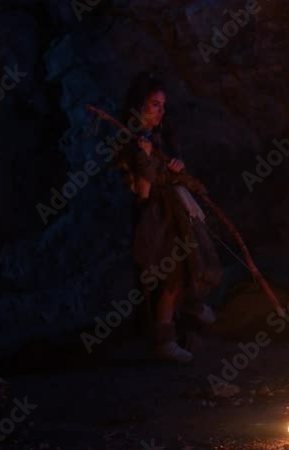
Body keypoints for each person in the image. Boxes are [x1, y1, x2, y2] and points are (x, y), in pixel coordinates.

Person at [117, 72, 222, 362]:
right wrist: (145, 158)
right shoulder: (131, 144)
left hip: (175, 212)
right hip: (157, 218)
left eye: (163, 105)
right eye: (154, 105)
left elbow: (167, 172)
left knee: (188, 264)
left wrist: (175, 167)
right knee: (170, 274)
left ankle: (191, 307)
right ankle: (164, 341)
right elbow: (143, 192)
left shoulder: (157, 138)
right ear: (138, 106)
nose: (160, 111)